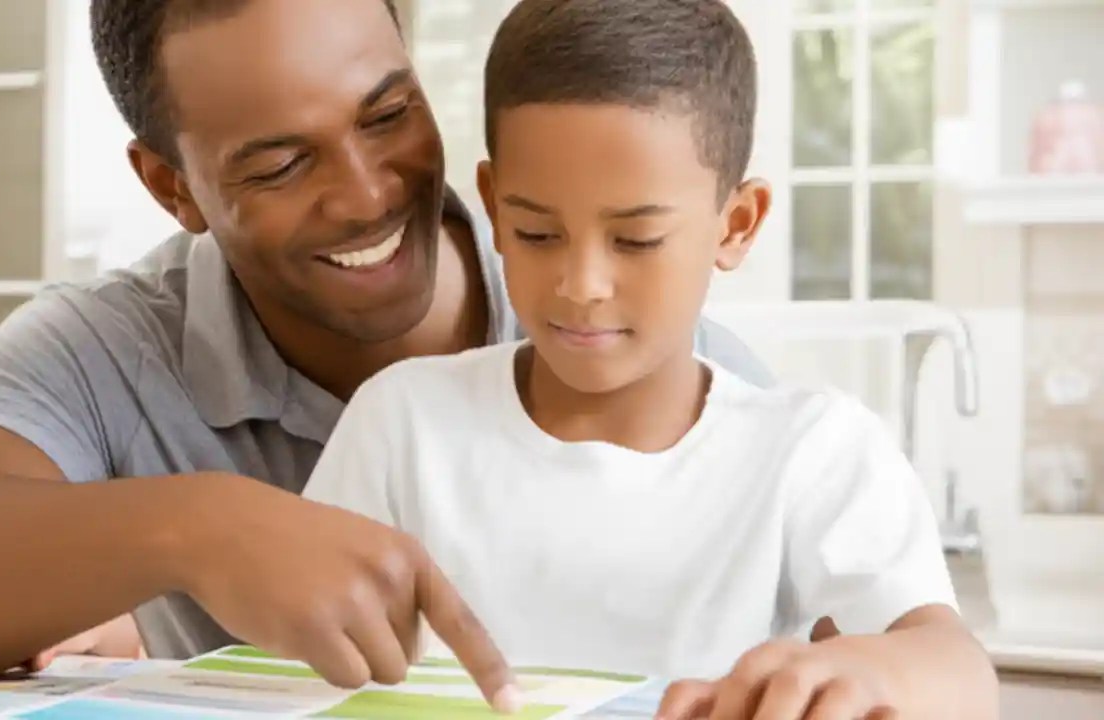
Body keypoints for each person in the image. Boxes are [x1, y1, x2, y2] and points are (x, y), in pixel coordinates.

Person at [0, 0, 769, 710]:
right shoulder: (111, 352)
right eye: (278, 165)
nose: (364, 196)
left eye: (387, 114)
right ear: (171, 188)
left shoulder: (647, 359)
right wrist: (195, 530)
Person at [299, 0, 1000, 718]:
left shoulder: (810, 453)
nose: (582, 286)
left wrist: (876, 673)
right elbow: (292, 669)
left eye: (635, 241)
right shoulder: (402, 423)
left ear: (737, 224)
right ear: (493, 209)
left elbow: (956, 667)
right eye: (537, 232)